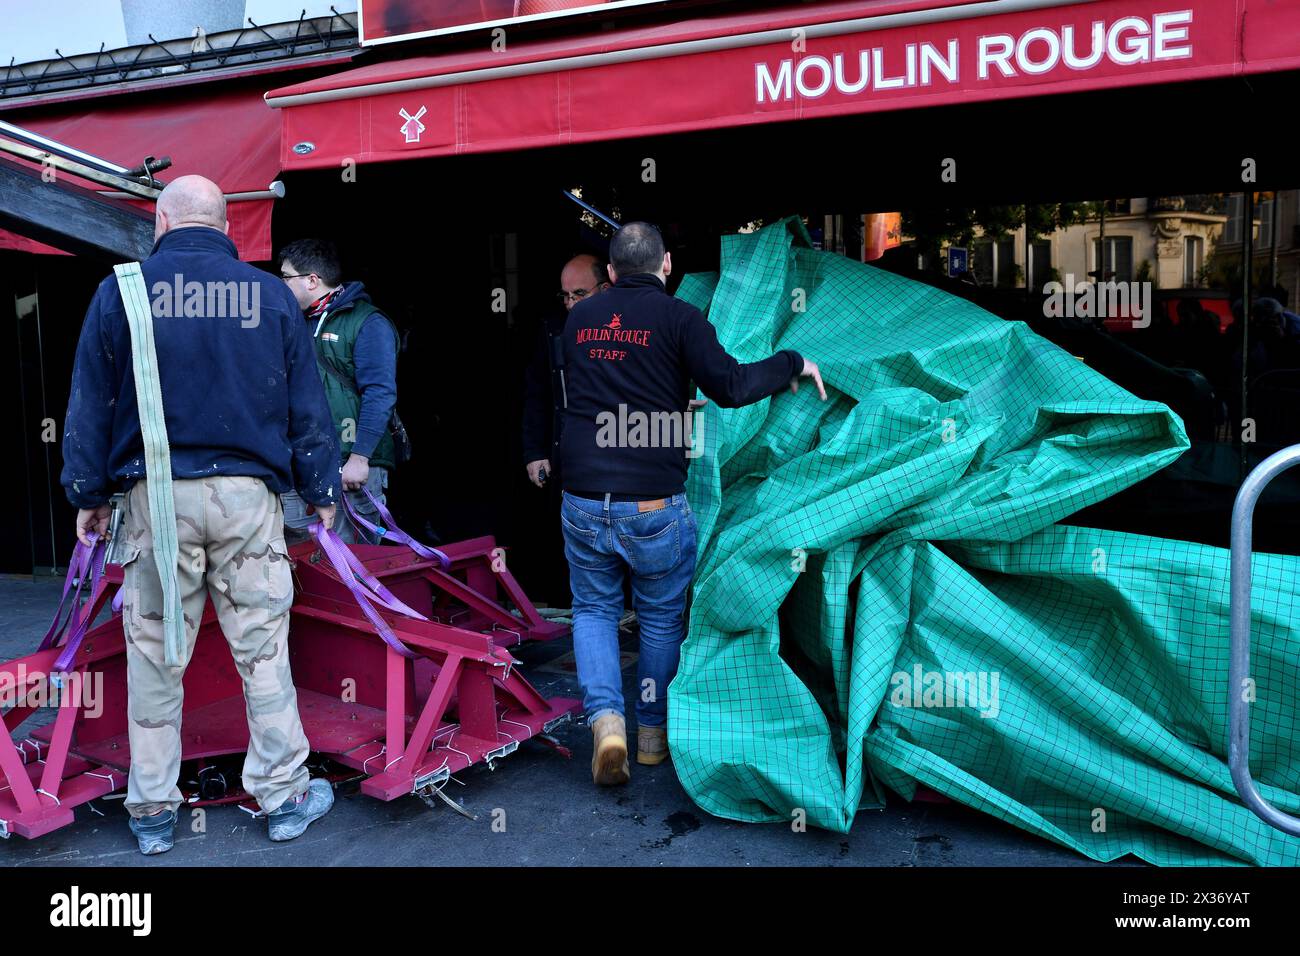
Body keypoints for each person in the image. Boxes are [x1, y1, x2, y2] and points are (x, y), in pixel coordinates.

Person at [61, 175, 339, 855]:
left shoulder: (119, 291)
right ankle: (284, 797)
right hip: (248, 500)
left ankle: (153, 813)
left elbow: (89, 404)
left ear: (160, 223)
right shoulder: (271, 294)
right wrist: (322, 489)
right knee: (263, 651)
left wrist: (88, 494)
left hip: (153, 500)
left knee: (154, 656)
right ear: (225, 226)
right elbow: (308, 405)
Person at [559, 222, 827, 785]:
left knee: (594, 611)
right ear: (668, 265)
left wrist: (674, 395)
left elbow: (611, 389)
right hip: (652, 505)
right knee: (658, 617)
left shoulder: (579, 320)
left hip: (583, 498)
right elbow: (731, 385)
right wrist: (791, 363)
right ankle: (651, 734)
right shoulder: (681, 318)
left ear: (609, 273)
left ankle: (607, 723)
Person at [277, 239, 400, 545]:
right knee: (301, 567)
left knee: (355, 568)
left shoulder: (368, 323)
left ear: (312, 280)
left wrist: (360, 457)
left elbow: (380, 393)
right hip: (300, 465)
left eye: (285, 277)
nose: (279, 285)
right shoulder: (290, 322)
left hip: (352, 465)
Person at [522, 253, 610, 491]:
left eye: (579, 294)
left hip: (617, 458)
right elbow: (537, 392)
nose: (570, 303)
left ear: (605, 288)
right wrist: (535, 451)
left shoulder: (629, 328)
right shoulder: (554, 330)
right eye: (565, 296)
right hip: (569, 459)